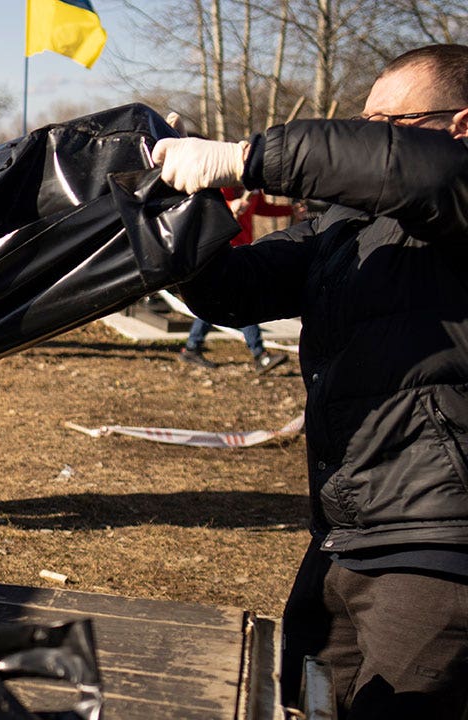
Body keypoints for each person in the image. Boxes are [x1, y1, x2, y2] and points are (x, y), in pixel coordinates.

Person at [152, 44, 468, 718]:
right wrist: (184, 207)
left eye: (394, 122)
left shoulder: (457, 194)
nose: (371, 133)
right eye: (364, 119)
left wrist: (245, 155)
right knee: (300, 702)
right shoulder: (346, 226)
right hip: (342, 538)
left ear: (461, 125)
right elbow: (235, 290)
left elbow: (415, 174)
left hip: (438, 549)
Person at [179, 188, 291, 373]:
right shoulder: (220, 182)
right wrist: (230, 206)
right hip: (221, 250)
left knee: (219, 299)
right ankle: (260, 354)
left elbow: (260, 207)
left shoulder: (252, 185)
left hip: (244, 249)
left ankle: (192, 346)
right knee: (242, 299)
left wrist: (289, 211)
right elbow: (202, 205)